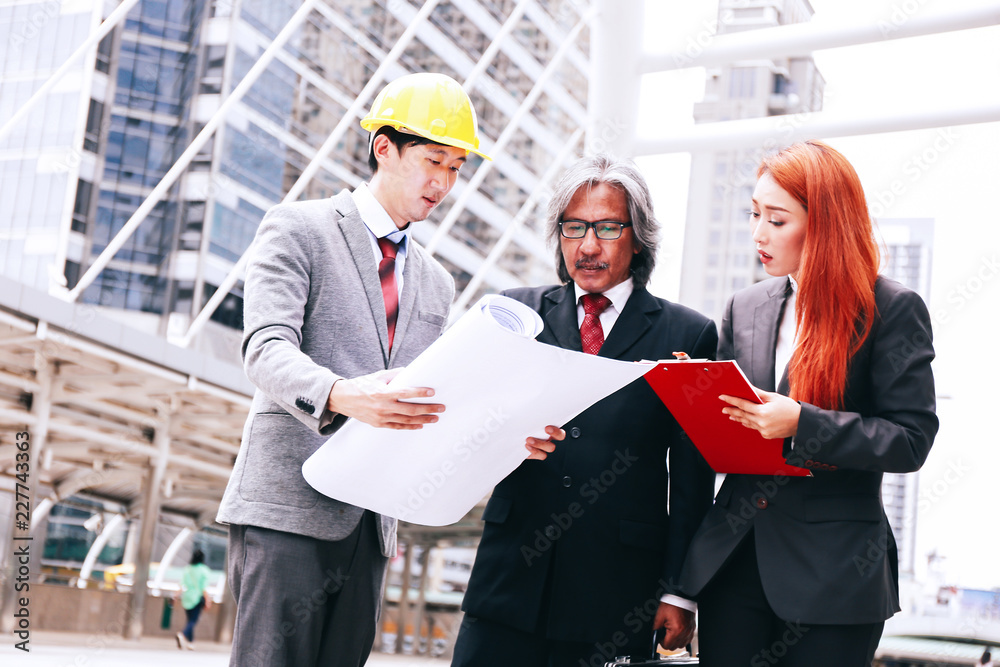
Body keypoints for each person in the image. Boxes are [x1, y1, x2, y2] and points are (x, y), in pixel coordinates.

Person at [215, 72, 549, 667]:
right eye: (433, 160)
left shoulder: (436, 282)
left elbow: (430, 399)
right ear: (384, 148)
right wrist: (342, 395)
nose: (444, 182)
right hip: (288, 509)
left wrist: (505, 437)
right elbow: (265, 348)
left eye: (456, 167)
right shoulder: (299, 228)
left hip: (370, 525)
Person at [678, 141, 939, 667]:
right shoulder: (745, 306)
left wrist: (801, 423)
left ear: (825, 224)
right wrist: (696, 396)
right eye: (755, 215)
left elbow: (910, 440)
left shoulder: (890, 309)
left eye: (776, 219)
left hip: (835, 576)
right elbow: (727, 437)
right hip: (735, 564)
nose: (758, 234)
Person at [451, 154, 718, 667]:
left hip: (615, 594)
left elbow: (690, 480)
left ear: (637, 237)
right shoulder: (513, 314)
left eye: (607, 228)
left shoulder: (687, 335)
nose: (588, 245)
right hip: (508, 582)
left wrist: (680, 591)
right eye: (573, 228)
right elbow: (463, 429)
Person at [176, 549, 211, 650]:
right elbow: (204, 588)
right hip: (196, 598)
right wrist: (208, 601)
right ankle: (182, 634)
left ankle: (190, 643)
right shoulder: (204, 570)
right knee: (193, 621)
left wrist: (175, 596)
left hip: (186, 597)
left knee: (189, 620)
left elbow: (181, 585)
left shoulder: (187, 569)